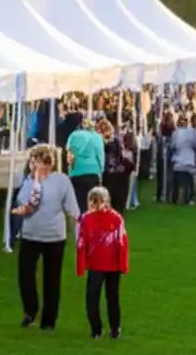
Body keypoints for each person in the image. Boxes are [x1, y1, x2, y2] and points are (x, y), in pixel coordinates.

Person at [12, 145, 79, 330]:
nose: (35, 166)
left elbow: (72, 208)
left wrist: (80, 234)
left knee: (52, 278)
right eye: (33, 162)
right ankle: (30, 310)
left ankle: (49, 320)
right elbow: (22, 202)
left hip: (54, 236)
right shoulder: (28, 181)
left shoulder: (62, 181)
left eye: (38, 162)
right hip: (30, 234)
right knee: (25, 275)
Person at [77, 187, 129, 339]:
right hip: (95, 265)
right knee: (91, 298)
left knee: (112, 297)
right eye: (94, 201)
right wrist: (81, 265)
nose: (97, 204)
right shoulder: (86, 219)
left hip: (113, 265)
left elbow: (122, 242)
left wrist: (123, 265)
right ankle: (96, 328)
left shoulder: (116, 219)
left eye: (100, 201)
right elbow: (81, 243)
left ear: (107, 201)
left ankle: (115, 328)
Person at [67, 118, 105, 213]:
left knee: (79, 203)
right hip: (93, 171)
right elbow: (100, 155)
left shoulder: (73, 136)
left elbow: (70, 156)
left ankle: (80, 224)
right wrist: (101, 169)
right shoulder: (97, 137)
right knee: (93, 202)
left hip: (76, 172)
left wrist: (71, 172)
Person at [101, 121, 134, 213]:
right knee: (118, 207)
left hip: (110, 176)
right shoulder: (116, 142)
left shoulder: (102, 144)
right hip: (119, 175)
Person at [170, 114, 196, 206]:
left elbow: (173, 146)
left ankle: (175, 198)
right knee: (188, 181)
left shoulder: (176, 133)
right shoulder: (193, 132)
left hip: (178, 161)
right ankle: (187, 198)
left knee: (176, 181)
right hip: (189, 160)